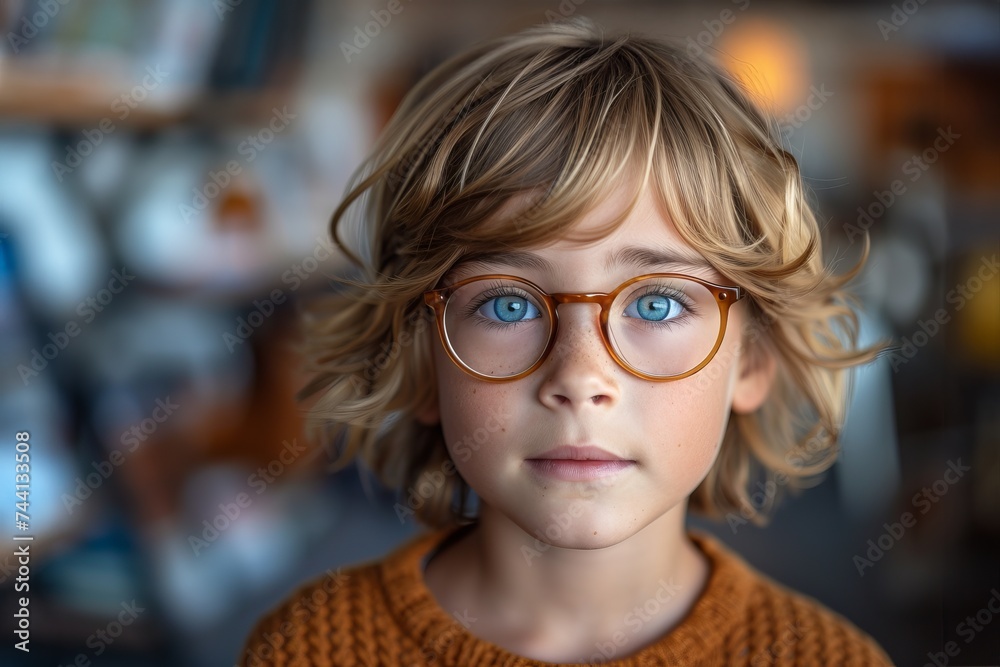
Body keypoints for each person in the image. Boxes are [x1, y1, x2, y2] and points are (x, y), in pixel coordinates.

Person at [238, 17, 894, 666]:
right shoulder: (305, 651)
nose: (579, 377)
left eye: (657, 303)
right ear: (421, 354)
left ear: (751, 358)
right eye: (509, 304)